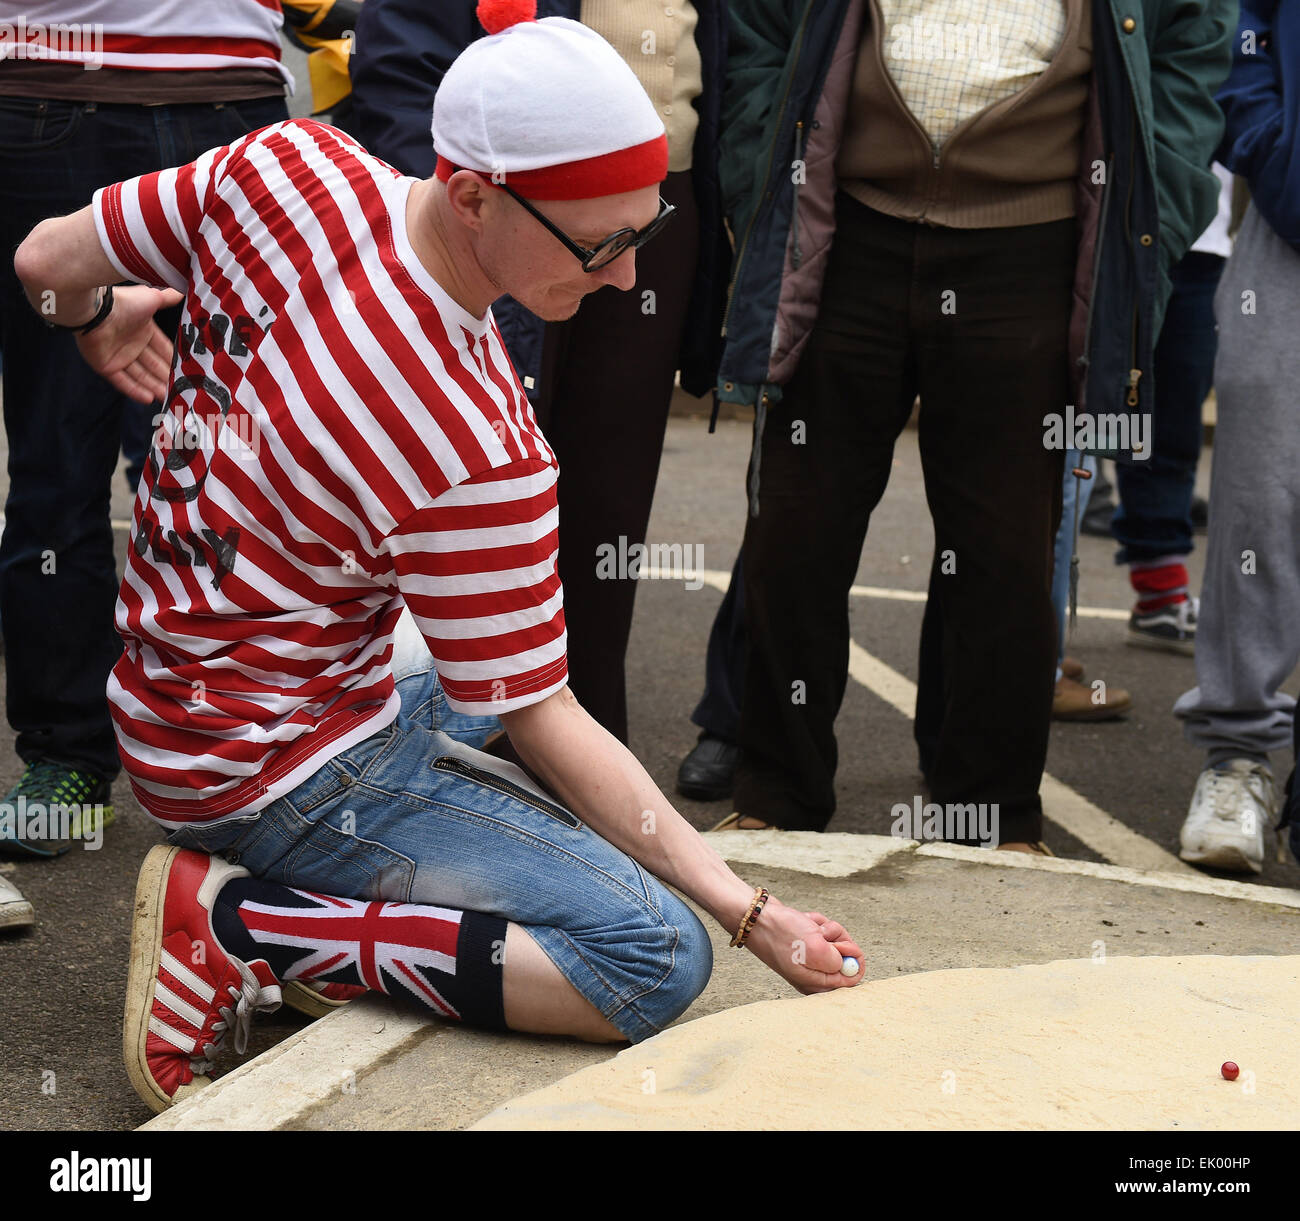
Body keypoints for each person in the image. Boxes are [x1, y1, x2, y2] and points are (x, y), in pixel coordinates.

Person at [14, 1, 864, 1114]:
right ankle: (242, 927)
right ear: (473, 193)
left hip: (168, 700)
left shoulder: (289, 165)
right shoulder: (471, 434)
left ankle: (292, 895)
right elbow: (539, 714)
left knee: (479, 666)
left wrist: (95, 316)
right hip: (275, 768)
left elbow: (42, 258)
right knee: (653, 954)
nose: (619, 280)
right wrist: (747, 913)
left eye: (641, 234)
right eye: (597, 242)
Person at [689, 0, 1234, 852]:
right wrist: (762, 162)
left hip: (1036, 244)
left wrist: (1156, 210)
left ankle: (994, 819)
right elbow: (760, 31)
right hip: (846, 228)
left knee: (1006, 556)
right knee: (797, 533)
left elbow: (1193, 48)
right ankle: (778, 799)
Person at [349, 0, 729, 744]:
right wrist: (441, 241)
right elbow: (401, 67)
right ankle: (433, 750)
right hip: (503, 212)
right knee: (457, 486)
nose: (620, 277)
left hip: (644, 193)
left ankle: (582, 749)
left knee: (605, 506)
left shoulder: (630, 258)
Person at [0, 0, 291, 861]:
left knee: (240, 461)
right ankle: (69, 759)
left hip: (228, 92)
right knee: (56, 463)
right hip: (52, 88)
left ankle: (249, 763)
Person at [1173, 0, 1300, 874]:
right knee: (1258, 500)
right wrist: (1275, 151)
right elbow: (1238, 44)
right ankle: (1236, 759)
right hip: (1287, 235)